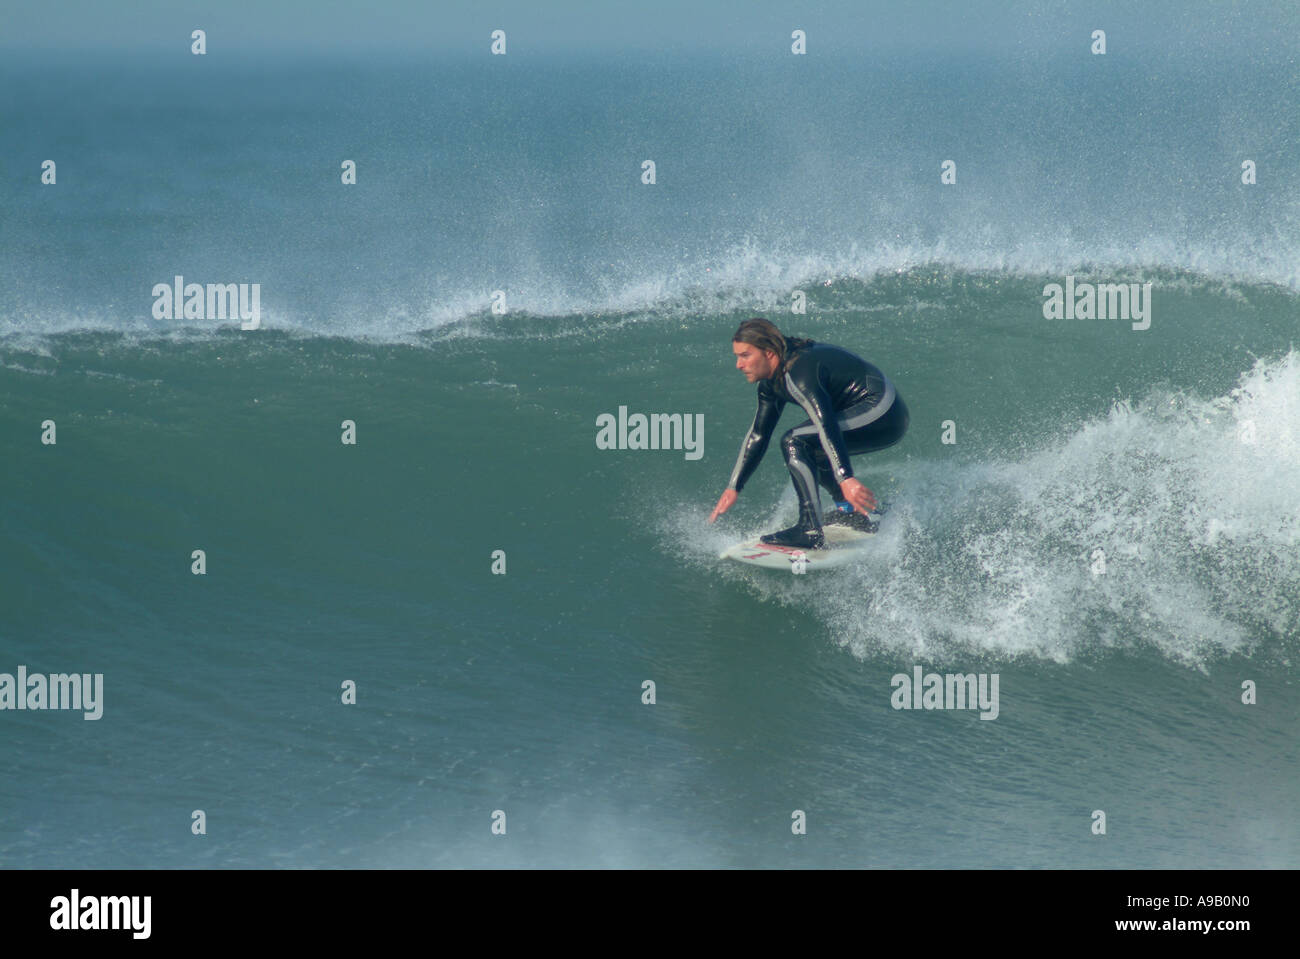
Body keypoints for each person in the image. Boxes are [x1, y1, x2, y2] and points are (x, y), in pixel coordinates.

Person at [708, 318, 908, 549]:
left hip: (883, 411)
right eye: (737, 356)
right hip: (871, 409)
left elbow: (826, 425)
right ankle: (855, 512)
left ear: (769, 354)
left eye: (745, 355)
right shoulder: (771, 383)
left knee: (795, 440)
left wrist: (846, 477)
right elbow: (758, 435)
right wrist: (735, 486)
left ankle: (809, 529)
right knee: (810, 446)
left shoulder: (798, 374)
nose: (738, 365)